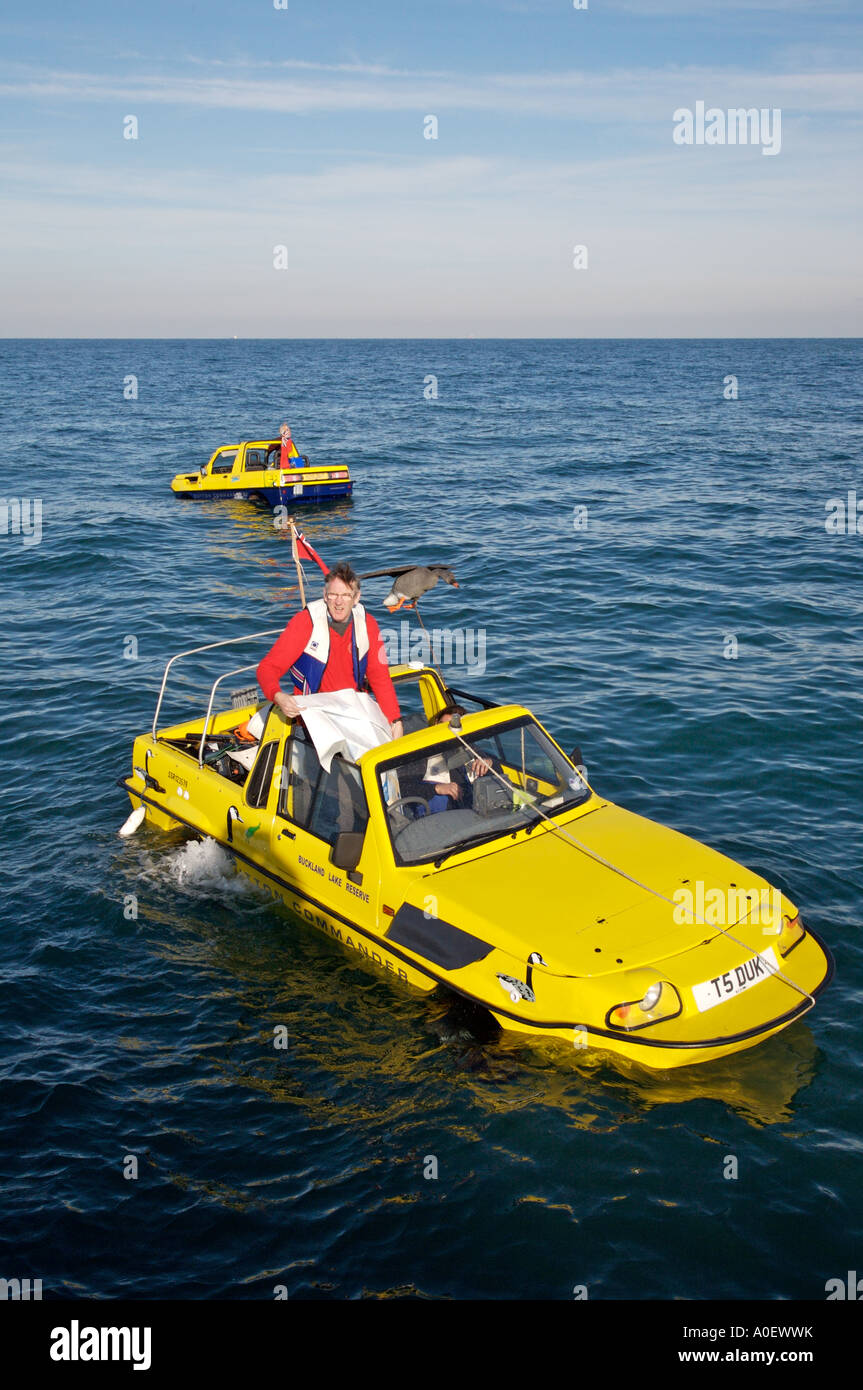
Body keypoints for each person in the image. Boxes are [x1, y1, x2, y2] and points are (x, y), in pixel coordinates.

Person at [257, 562, 403, 738]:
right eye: (333, 595)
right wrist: (278, 696)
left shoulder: (368, 624)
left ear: (356, 598)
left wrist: (394, 720)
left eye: (346, 595)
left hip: (355, 711)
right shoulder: (305, 622)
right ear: (325, 595)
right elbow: (267, 668)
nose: (339, 602)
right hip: (313, 717)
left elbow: (379, 676)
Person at [424, 705, 493, 812]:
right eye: (442, 725)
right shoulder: (423, 753)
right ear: (436, 723)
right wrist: (436, 788)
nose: (446, 731)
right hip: (438, 816)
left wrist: (489, 762)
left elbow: (497, 774)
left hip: (471, 810)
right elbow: (402, 786)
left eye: (452, 727)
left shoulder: (470, 748)